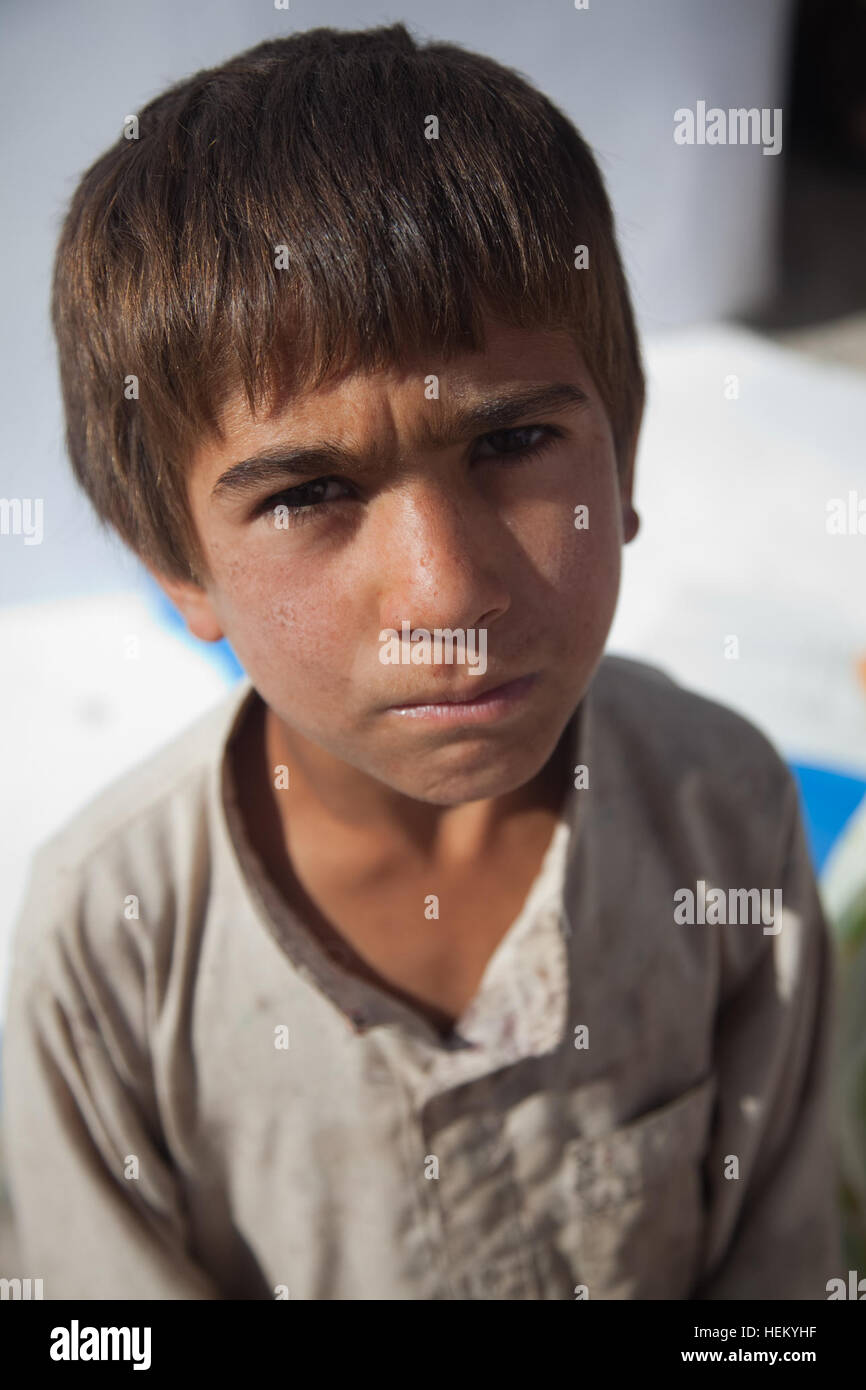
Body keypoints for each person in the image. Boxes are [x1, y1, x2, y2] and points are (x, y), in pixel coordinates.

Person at [1, 23, 842, 1299]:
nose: (447, 592)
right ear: (179, 566)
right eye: (310, 494)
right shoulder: (108, 949)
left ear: (620, 461)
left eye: (511, 444)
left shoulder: (723, 815)